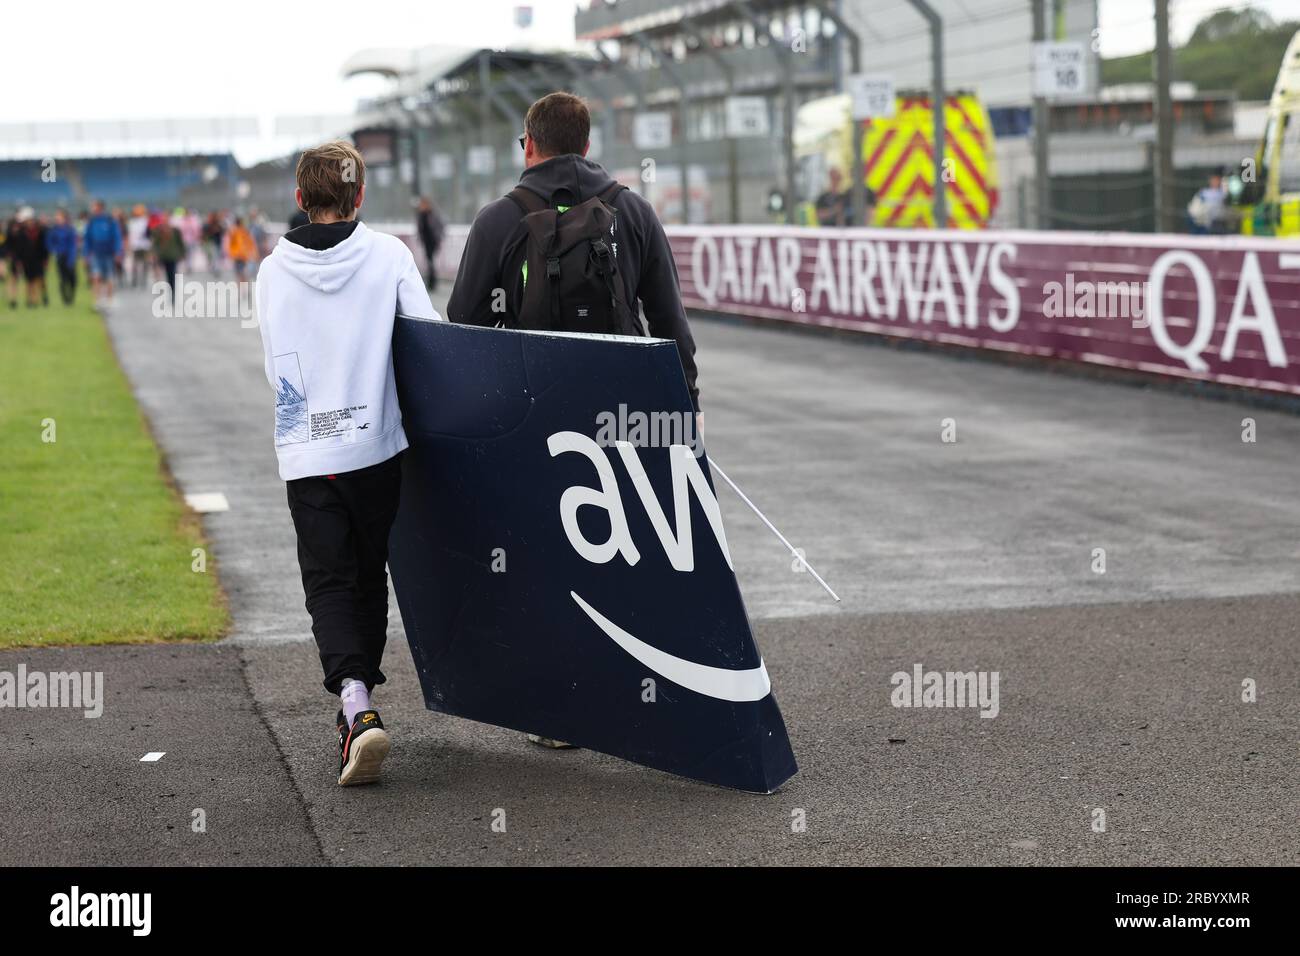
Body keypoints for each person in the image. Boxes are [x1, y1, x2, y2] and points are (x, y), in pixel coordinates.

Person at [446, 91, 701, 749]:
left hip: (531, 410)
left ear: (528, 145)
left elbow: (462, 324)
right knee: (617, 549)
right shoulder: (633, 210)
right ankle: (637, 690)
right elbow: (669, 322)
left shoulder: (498, 219)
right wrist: (685, 414)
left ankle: (563, 707)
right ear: (588, 145)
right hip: (622, 407)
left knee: (541, 556)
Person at [255, 140, 435, 786]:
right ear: (359, 195)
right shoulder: (389, 255)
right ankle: (359, 708)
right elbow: (428, 340)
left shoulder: (272, 270)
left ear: (301, 198)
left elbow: (276, 364)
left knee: (328, 580)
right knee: (366, 573)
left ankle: (356, 705)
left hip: (307, 449)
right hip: (373, 447)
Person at [83, 200, 122, 308]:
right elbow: (87, 239)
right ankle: (97, 300)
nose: (93, 209)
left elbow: (117, 237)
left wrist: (118, 252)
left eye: (94, 207)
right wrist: (86, 254)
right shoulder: (92, 222)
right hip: (96, 254)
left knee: (109, 277)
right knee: (96, 277)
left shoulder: (110, 221)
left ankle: (109, 300)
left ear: (100, 208)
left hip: (109, 254)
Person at [10, 208, 49, 307]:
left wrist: (45, 259)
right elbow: (18, 248)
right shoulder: (21, 232)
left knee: (39, 279)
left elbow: (44, 247)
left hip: (38, 259)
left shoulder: (40, 231)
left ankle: (41, 297)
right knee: (29, 281)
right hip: (26, 260)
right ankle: (30, 300)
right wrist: (18, 260)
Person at [46, 209, 80, 305]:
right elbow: (49, 242)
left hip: (69, 256)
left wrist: (72, 257)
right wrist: (54, 250)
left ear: (64, 218)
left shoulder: (70, 229)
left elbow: (73, 244)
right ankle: (65, 299)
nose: (57, 218)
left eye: (59, 217)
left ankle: (71, 295)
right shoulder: (54, 230)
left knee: (72, 278)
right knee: (62, 279)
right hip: (60, 256)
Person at [415, 196, 445, 291]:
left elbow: (440, 226)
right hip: (426, 241)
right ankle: (431, 281)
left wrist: (438, 237)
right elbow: (420, 229)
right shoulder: (421, 215)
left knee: (430, 261)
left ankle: (432, 282)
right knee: (429, 261)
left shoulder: (433, 214)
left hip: (432, 241)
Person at [151, 218, 186, 294]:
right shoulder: (158, 231)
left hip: (172, 256)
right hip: (162, 256)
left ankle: (172, 289)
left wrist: (182, 253)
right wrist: (154, 253)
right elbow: (155, 244)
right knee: (161, 272)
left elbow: (180, 243)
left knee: (171, 273)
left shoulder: (175, 231)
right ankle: (161, 287)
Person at [125, 204, 152, 288]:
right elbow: (129, 234)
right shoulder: (131, 222)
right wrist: (128, 245)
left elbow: (149, 234)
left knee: (145, 264)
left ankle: (143, 280)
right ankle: (135, 280)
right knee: (135, 264)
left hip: (145, 246)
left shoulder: (146, 221)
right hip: (135, 246)